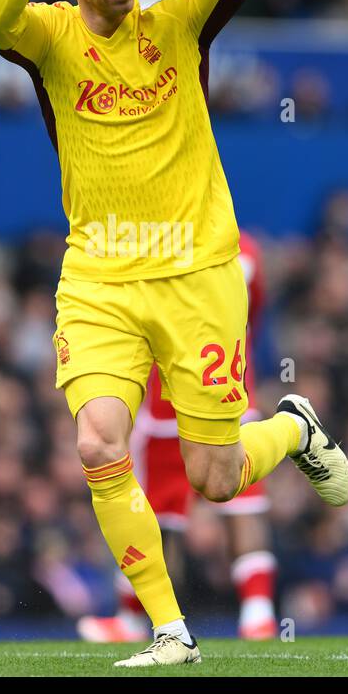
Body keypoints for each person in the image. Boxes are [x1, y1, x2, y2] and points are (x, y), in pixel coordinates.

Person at [0, 0, 348, 667]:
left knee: (217, 477)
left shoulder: (179, 22)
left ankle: (290, 431)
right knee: (98, 442)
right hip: (100, 278)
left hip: (197, 273)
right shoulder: (48, 39)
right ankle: (169, 628)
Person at [78, 232, 280, 643]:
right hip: (193, 393)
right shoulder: (227, 249)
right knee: (171, 509)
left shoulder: (190, 246)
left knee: (218, 503)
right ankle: (146, 614)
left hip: (199, 393)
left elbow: (246, 319)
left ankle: (252, 610)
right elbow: (249, 316)